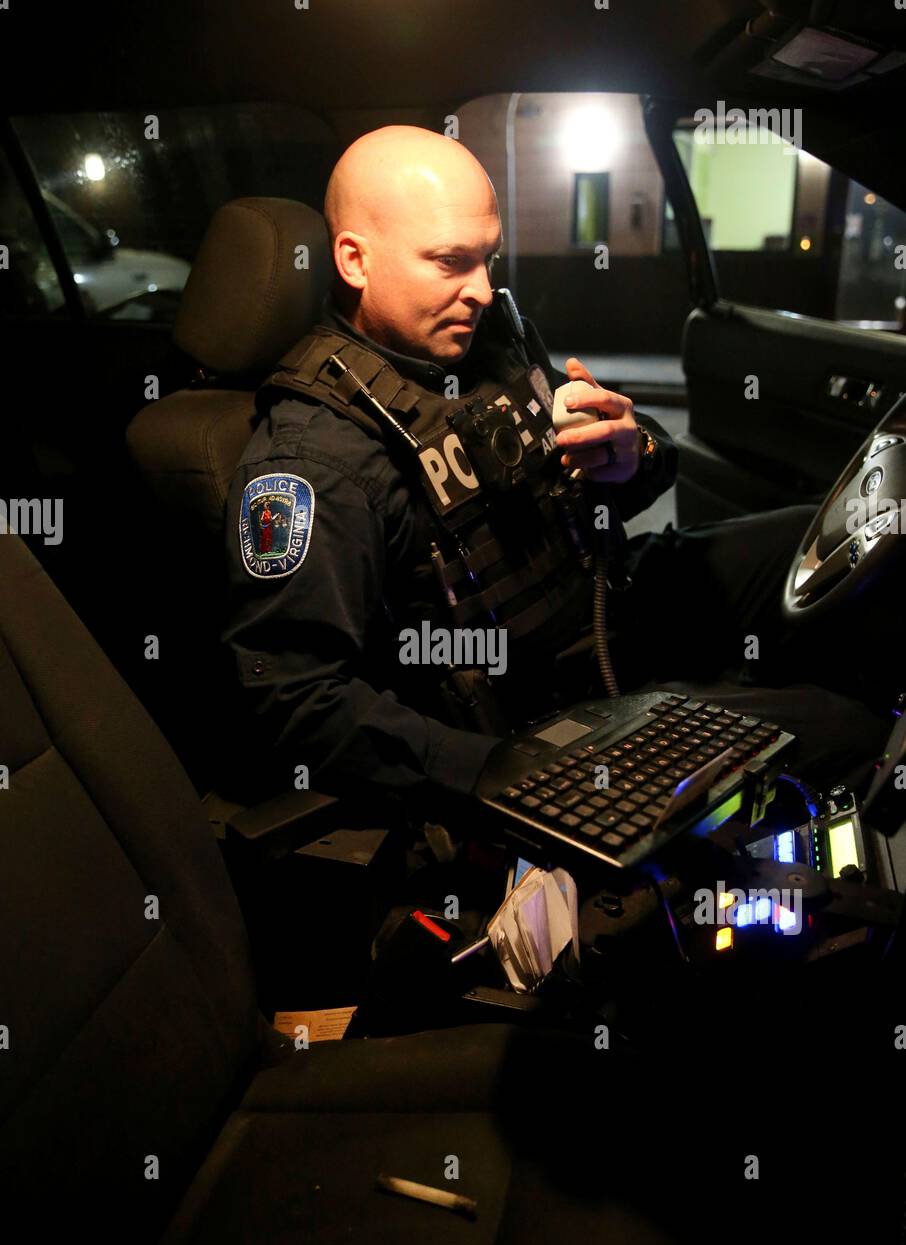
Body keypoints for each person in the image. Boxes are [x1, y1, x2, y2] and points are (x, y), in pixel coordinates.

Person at [222, 125, 891, 809]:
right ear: (355, 261)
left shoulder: (484, 346)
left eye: (489, 258)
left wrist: (634, 453)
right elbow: (292, 693)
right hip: (528, 711)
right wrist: (496, 772)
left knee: (839, 535)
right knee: (852, 731)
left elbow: (581, 489)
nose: (482, 289)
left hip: (603, 600)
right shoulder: (314, 460)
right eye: (451, 262)